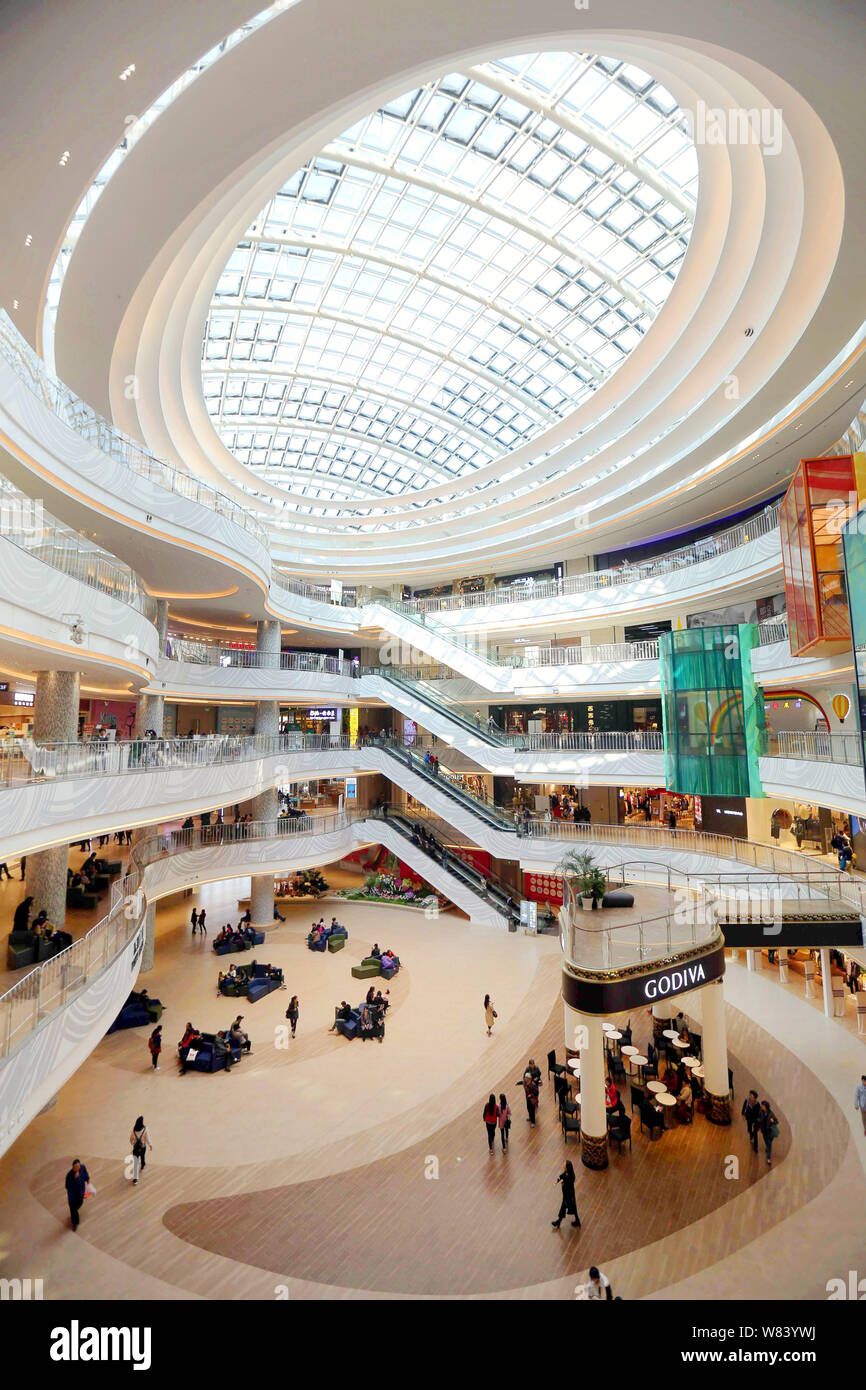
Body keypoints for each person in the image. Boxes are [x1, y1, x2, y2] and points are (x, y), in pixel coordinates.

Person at [552, 1160, 581, 1229]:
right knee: (569, 1208)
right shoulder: (567, 1173)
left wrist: (562, 1183)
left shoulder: (570, 1176)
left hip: (569, 1196)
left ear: (567, 1167)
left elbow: (567, 1185)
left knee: (569, 1208)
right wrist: (557, 1180)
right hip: (567, 1196)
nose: (563, 1166)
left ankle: (559, 1222)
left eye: (564, 1165)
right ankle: (559, 1222)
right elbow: (562, 1176)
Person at [65, 1158, 91, 1230]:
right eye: (76, 1167)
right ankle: (75, 1223)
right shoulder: (69, 1175)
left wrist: (87, 1179)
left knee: (79, 1204)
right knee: (73, 1208)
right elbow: (67, 1186)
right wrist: (75, 1179)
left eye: (78, 1166)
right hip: (72, 1195)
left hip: (81, 1192)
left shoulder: (82, 1168)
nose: (78, 1168)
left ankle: (74, 1214)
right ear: (73, 1167)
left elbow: (85, 1174)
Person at [130, 1116, 151, 1185]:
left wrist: (134, 1144)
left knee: (135, 1163)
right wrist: (150, 1145)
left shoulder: (134, 1130)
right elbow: (147, 1138)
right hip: (143, 1147)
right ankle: (142, 1164)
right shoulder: (145, 1129)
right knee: (142, 1156)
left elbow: (131, 1140)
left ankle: (135, 1179)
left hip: (135, 1149)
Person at [759, 1099, 780, 1166]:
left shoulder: (771, 1114)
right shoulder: (761, 1112)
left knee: (769, 1144)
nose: (762, 1107)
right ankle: (768, 1150)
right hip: (764, 1131)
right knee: (767, 1143)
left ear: (766, 1107)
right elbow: (759, 1119)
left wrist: (772, 1121)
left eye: (763, 1106)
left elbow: (777, 1121)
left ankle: (768, 1158)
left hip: (770, 1132)